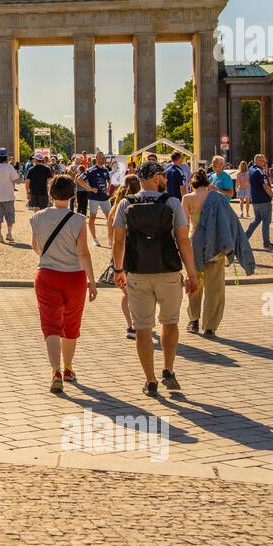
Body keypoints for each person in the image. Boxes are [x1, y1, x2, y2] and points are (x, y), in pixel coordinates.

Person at [112, 160, 199, 397]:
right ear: (157, 178)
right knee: (170, 323)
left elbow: (118, 241)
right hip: (168, 271)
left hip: (138, 271)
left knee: (142, 328)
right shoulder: (171, 202)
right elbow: (183, 241)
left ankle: (150, 380)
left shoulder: (125, 204)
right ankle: (168, 370)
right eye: (162, 177)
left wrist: (118, 270)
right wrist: (191, 274)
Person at [31, 174, 97, 395]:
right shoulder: (78, 220)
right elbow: (83, 253)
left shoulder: (37, 217)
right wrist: (92, 281)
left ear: (50, 193)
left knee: (50, 324)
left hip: (47, 274)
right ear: (73, 195)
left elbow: (36, 247)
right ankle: (69, 368)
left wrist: (52, 255)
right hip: (74, 276)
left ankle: (55, 370)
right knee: (71, 323)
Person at [185, 171, 254, 336]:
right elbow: (230, 222)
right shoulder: (217, 198)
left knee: (195, 284)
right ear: (207, 184)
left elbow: (184, 223)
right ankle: (210, 326)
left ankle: (193, 320)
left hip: (194, 244)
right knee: (214, 288)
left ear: (192, 184)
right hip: (216, 245)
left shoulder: (187, 198)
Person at [108, 175, 142, 340]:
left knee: (127, 293)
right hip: (138, 253)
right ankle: (139, 323)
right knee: (139, 292)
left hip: (120, 253)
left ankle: (131, 324)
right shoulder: (141, 205)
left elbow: (112, 237)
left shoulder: (116, 208)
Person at [243, 154, 273, 250]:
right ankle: (267, 243)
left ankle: (244, 238)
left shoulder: (250, 170)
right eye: (263, 161)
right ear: (259, 161)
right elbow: (266, 187)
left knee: (257, 220)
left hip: (255, 199)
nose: (265, 163)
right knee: (266, 222)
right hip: (264, 200)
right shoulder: (260, 172)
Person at [77, 151, 114, 248]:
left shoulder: (105, 170)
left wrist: (108, 189)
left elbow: (109, 180)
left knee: (110, 218)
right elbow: (79, 180)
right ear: (97, 159)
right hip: (93, 198)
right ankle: (94, 239)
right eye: (101, 158)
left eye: (104, 158)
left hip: (105, 198)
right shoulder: (91, 170)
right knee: (92, 218)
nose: (103, 159)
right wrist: (90, 188)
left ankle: (110, 238)